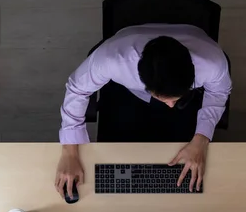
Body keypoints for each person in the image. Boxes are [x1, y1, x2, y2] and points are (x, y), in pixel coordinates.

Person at [56, 24, 232, 196]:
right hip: (128, 92)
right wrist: (69, 153)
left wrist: (201, 139)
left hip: (189, 94)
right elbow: (77, 89)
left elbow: (218, 93)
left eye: (173, 99)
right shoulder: (112, 60)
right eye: (164, 99)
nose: (170, 106)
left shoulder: (212, 62)